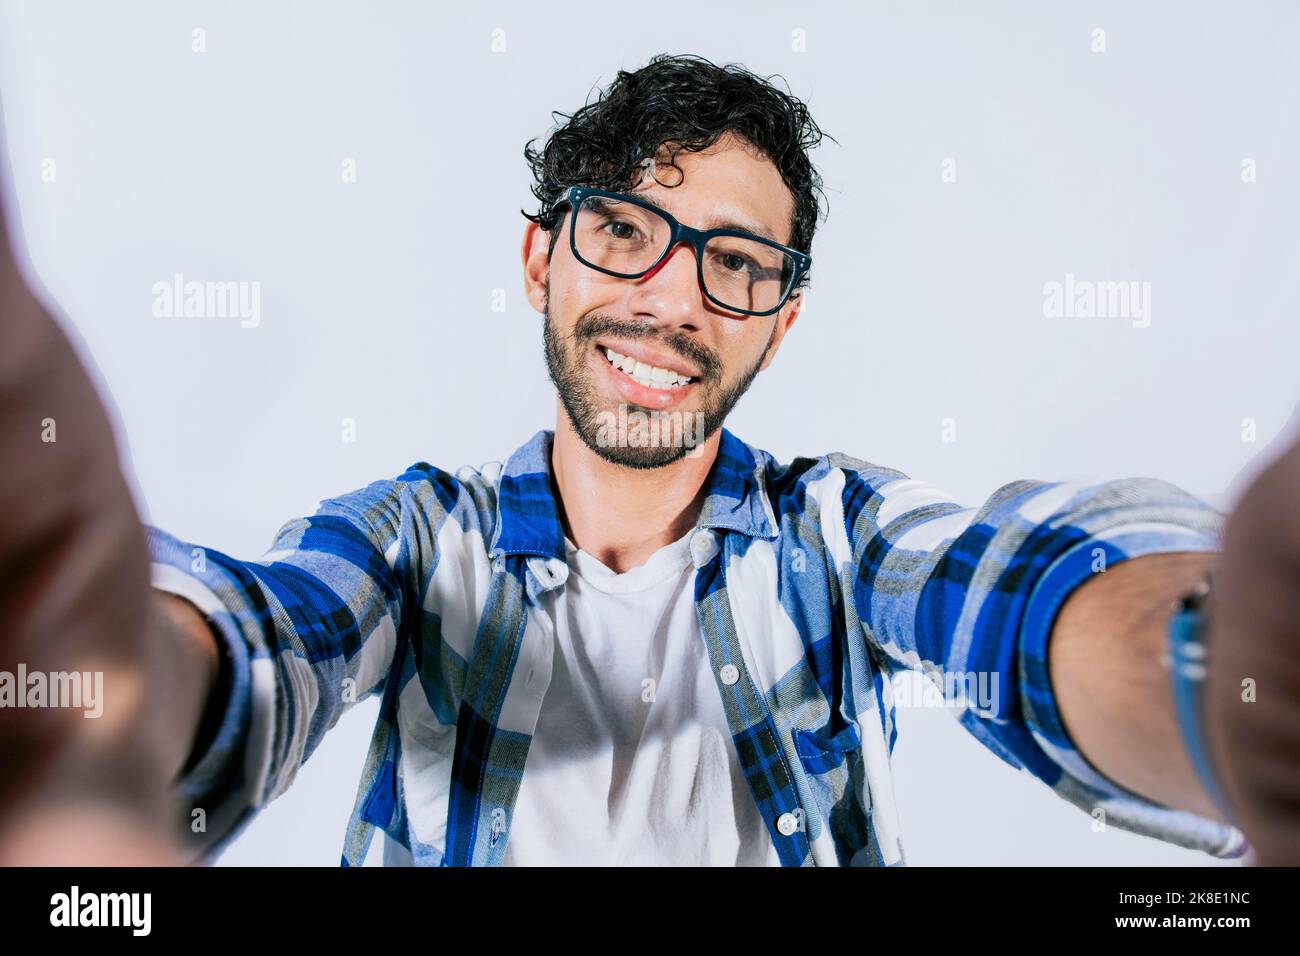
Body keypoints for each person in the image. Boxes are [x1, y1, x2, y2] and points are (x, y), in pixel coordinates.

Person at [1, 53, 1296, 867]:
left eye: (735, 262)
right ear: (539, 263)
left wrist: (1233, 677)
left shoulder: (841, 534)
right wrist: (91, 682)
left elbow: (1019, 599)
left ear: (780, 326)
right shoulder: (413, 540)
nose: (673, 298)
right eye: (624, 230)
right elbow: (273, 628)